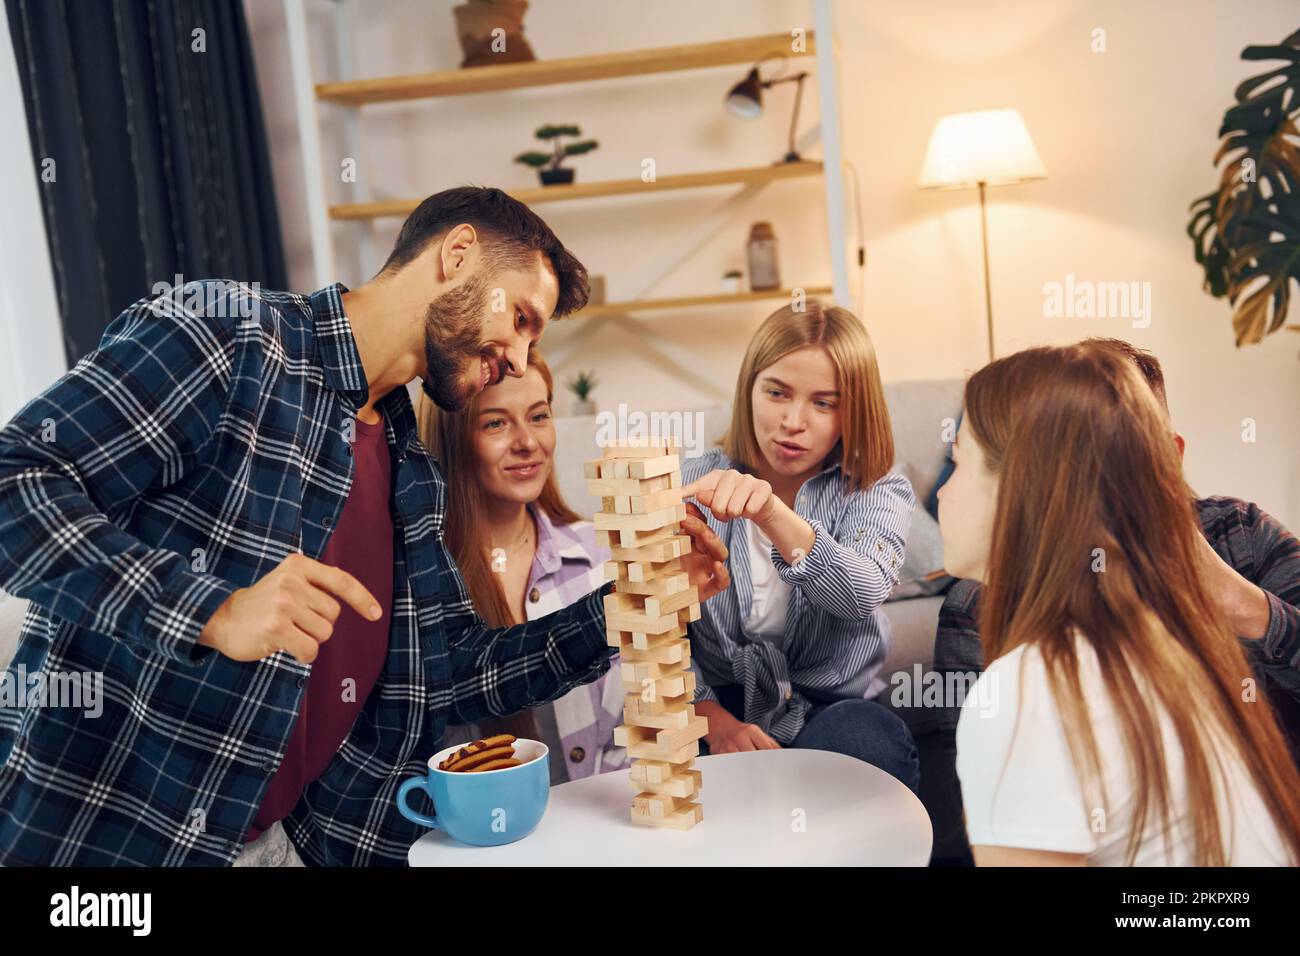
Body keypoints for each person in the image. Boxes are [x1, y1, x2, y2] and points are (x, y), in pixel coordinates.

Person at [0, 186, 728, 866]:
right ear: (458, 256)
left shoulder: (410, 463)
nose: (517, 358)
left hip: (307, 843)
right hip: (118, 836)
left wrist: (626, 611)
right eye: (522, 320)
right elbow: (15, 479)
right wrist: (213, 611)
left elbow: (452, 673)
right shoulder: (231, 336)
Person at [924, 337, 1300, 865]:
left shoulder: (1028, 692)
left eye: (957, 461)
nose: (940, 492)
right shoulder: (1158, 645)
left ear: (1021, 491)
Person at [679, 301, 919, 792]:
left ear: (854, 411)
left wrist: (770, 513)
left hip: (831, 712)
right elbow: (657, 630)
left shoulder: (876, 490)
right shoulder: (691, 481)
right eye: (776, 393)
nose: (793, 421)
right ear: (749, 389)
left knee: (866, 740)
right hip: (718, 709)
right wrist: (713, 721)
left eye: (824, 403)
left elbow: (860, 594)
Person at [417, 350, 629, 782]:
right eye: (496, 423)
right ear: (454, 438)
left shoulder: (601, 554)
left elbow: (642, 714)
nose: (527, 442)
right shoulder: (424, 580)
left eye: (538, 416)